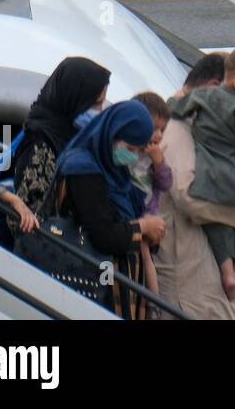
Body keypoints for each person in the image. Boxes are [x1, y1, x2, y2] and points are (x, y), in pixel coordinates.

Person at [166, 45, 235, 302]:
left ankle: (227, 268)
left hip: (213, 176)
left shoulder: (203, 100)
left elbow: (175, 107)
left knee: (216, 223)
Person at [53, 100, 166, 319]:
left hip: (121, 288)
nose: (132, 156)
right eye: (129, 148)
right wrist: (142, 226)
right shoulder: (83, 168)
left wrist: (150, 234)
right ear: (111, 134)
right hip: (94, 286)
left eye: (138, 150)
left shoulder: (117, 172)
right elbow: (103, 233)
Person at [8, 57, 111, 238]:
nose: (100, 111)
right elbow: (24, 217)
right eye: (95, 104)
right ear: (73, 98)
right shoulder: (42, 145)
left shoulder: (69, 138)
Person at [132, 92, 173, 315]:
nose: (157, 135)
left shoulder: (154, 157)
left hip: (149, 212)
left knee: (147, 256)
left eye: (162, 130)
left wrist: (158, 162)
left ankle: (153, 303)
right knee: (143, 255)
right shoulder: (128, 151)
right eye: (153, 128)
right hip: (134, 215)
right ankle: (150, 303)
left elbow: (166, 183)